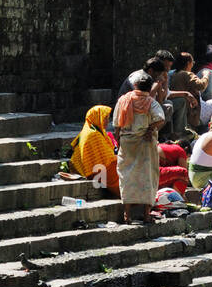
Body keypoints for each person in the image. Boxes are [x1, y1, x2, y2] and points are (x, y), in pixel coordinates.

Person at [114, 76, 165, 223]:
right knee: (147, 176)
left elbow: (117, 124)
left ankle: (127, 215)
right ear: (149, 89)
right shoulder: (151, 103)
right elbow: (160, 119)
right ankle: (146, 214)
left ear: (135, 85)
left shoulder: (123, 100)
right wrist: (150, 129)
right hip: (145, 145)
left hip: (127, 143)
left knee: (127, 177)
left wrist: (118, 140)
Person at [66, 105, 118, 191]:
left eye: (108, 118)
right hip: (94, 170)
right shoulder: (93, 134)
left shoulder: (93, 130)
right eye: (105, 118)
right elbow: (107, 158)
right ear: (97, 118)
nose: (107, 121)